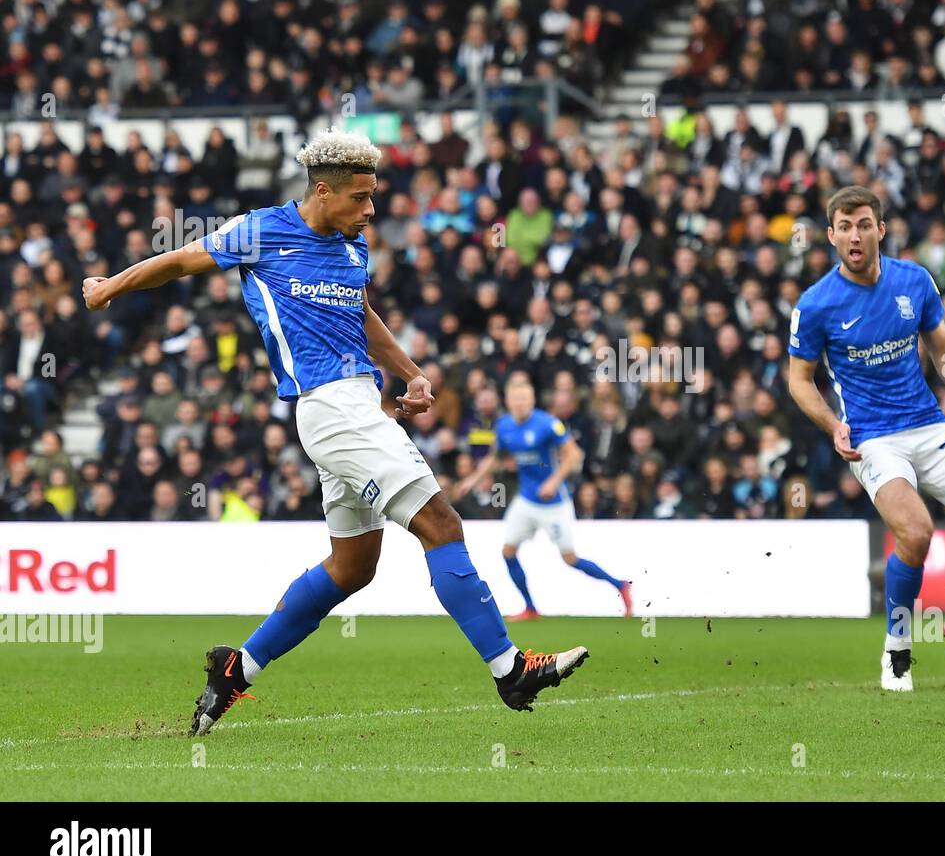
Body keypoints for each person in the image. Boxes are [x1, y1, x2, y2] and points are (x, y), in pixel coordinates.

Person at [83, 129, 588, 734]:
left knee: (353, 567)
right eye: (360, 197)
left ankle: (234, 671)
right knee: (441, 524)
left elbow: (362, 314)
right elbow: (179, 261)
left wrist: (411, 373)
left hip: (357, 409)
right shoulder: (261, 230)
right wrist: (109, 286)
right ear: (322, 191)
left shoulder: (354, 247)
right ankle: (511, 670)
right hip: (328, 408)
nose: (371, 209)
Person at [787, 186, 945, 693]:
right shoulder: (816, 305)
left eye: (864, 224)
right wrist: (834, 426)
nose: (856, 235)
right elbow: (798, 380)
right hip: (872, 439)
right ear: (831, 236)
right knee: (916, 533)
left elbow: (943, 351)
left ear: (880, 230)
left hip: (930, 425)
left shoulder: (913, 280)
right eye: (845, 227)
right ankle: (897, 650)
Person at [456, 375, 633, 619]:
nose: (520, 403)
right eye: (515, 398)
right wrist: (472, 480)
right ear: (507, 400)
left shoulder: (547, 423)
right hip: (526, 500)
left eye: (524, 399)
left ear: (532, 400)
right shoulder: (504, 425)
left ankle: (620, 585)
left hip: (554, 504)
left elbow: (573, 454)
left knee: (570, 559)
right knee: (507, 551)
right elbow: (495, 457)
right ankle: (530, 608)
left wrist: (553, 481)